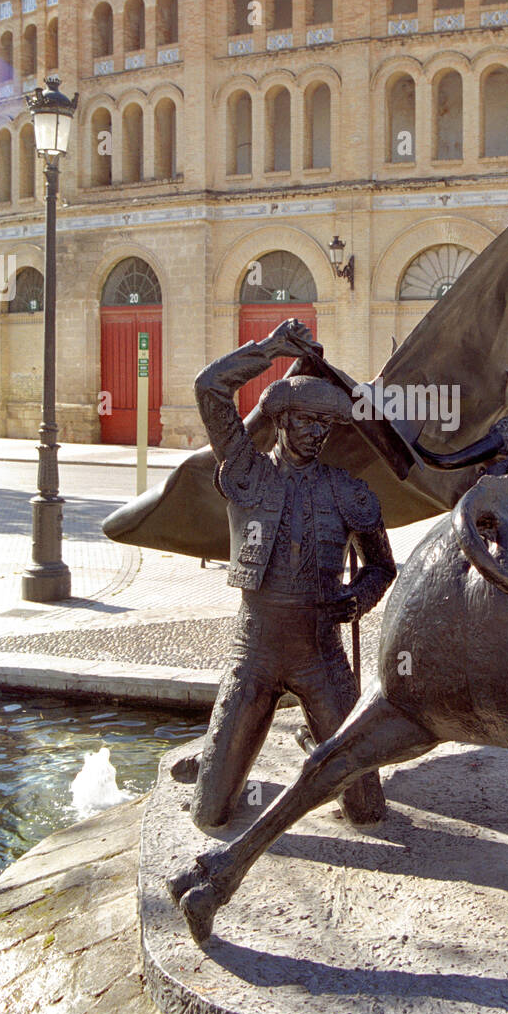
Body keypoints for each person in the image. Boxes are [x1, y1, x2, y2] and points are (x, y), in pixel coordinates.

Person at [189, 317, 396, 831]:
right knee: (210, 813)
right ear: (281, 421)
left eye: (325, 425)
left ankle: (314, 740)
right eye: (307, 421)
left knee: (367, 811)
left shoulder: (348, 491)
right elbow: (209, 388)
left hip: (321, 657)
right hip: (252, 656)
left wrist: (359, 598)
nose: (317, 434)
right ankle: (223, 759)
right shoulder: (246, 471)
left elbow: (382, 566)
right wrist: (270, 349)